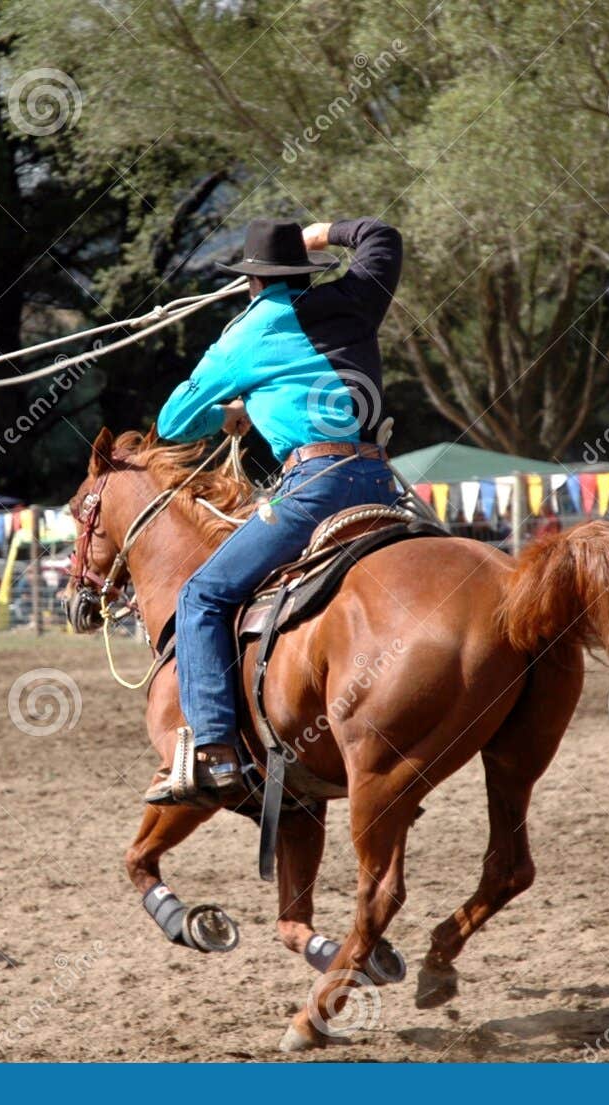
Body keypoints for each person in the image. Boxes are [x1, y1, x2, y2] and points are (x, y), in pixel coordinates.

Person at [145, 215, 403, 807]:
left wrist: (227, 415)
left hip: (315, 488)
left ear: (250, 280)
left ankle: (213, 751)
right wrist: (325, 233)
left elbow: (170, 423)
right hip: (378, 481)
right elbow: (382, 237)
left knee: (201, 596)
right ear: (305, 267)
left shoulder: (244, 335)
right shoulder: (358, 295)